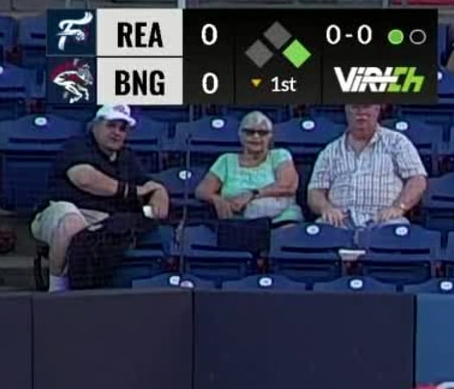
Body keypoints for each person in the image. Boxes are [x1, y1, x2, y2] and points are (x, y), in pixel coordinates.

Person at [29, 104, 168, 292]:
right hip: (58, 212)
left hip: (101, 219)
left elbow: (150, 186)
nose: (117, 133)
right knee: (72, 223)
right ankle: (57, 290)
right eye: (111, 125)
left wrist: (159, 193)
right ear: (95, 125)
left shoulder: (127, 157)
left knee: (110, 232)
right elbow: (84, 179)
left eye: (122, 128)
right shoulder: (77, 145)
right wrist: (131, 191)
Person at [306, 104, 428, 229]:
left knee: (396, 230)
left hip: (384, 219)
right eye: (355, 107)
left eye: (367, 106)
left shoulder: (397, 142)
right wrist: (326, 208)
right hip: (340, 221)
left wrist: (398, 207)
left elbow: (417, 180)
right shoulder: (331, 150)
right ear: (346, 110)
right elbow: (315, 191)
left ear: (377, 109)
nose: (361, 112)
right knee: (320, 230)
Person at [193, 111, 303, 224]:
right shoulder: (226, 160)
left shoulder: (280, 155)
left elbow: (288, 186)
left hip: (281, 220)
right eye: (249, 132)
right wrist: (217, 199)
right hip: (240, 222)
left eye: (262, 133)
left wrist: (252, 194)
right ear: (240, 135)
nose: (256, 136)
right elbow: (201, 191)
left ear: (270, 136)